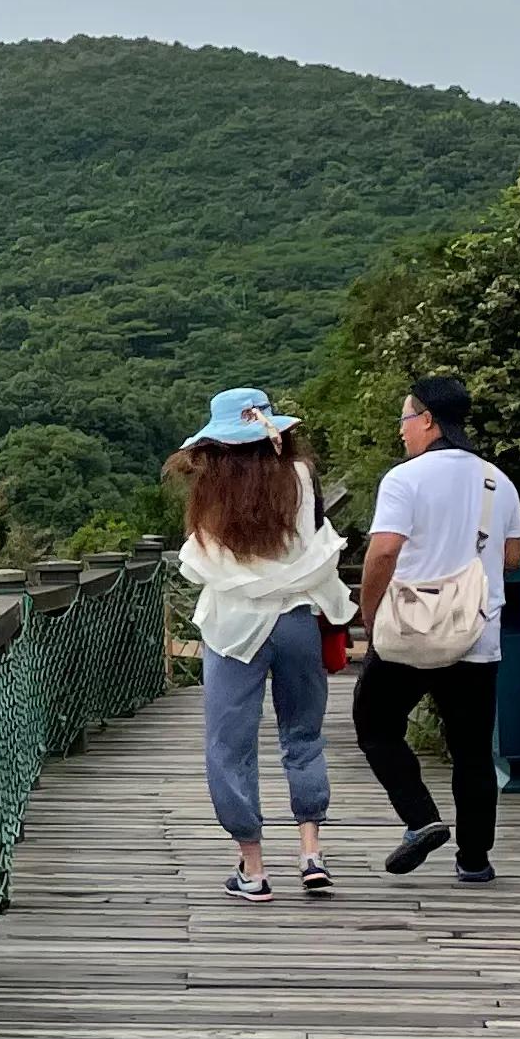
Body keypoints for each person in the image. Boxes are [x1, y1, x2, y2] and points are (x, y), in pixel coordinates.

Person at [168, 387, 353, 904]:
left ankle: (253, 866)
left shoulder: (212, 486)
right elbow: (317, 541)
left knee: (230, 746)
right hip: (295, 619)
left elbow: (201, 559)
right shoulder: (300, 475)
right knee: (303, 734)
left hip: (233, 626)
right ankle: (311, 852)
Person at [355, 372, 520, 884]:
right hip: (475, 633)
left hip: (410, 631)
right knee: (472, 750)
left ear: (428, 419)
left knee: (376, 726)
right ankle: (475, 860)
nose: (402, 431)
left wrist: (370, 613)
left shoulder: (404, 479)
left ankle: (421, 819)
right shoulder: (499, 480)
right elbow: (512, 557)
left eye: (405, 419)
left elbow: (384, 550)